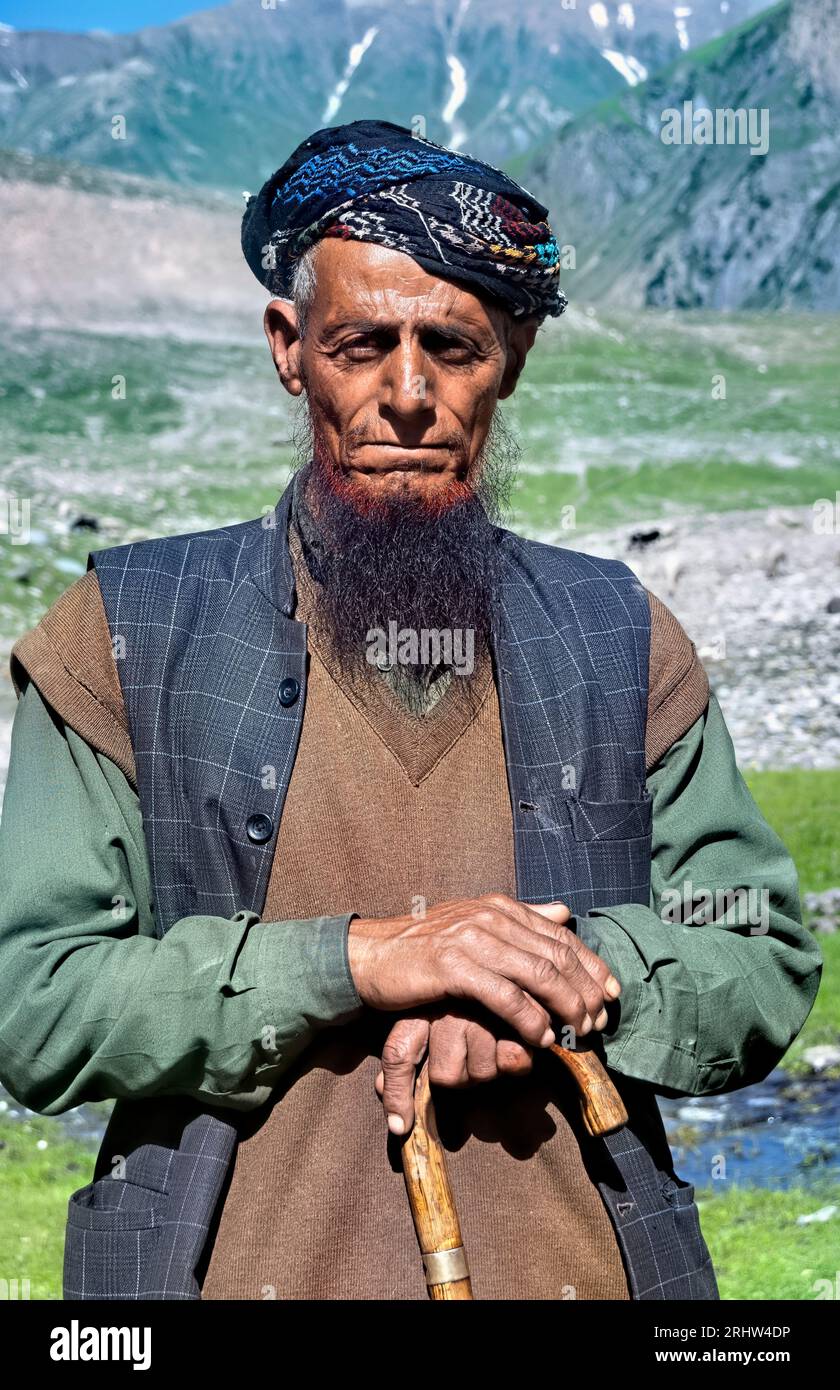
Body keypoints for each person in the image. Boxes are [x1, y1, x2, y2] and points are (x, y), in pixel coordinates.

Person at [0, 120, 820, 1301]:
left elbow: (759, 950)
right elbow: (35, 1000)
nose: (409, 393)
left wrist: (568, 975)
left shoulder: (621, 634)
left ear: (516, 356)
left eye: (452, 344)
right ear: (289, 350)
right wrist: (363, 959)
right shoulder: (124, 630)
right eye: (360, 344)